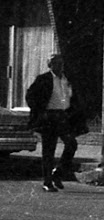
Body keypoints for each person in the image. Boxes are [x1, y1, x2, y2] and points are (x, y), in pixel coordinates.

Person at [26, 53, 85, 193]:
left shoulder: (67, 80)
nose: (60, 66)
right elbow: (30, 96)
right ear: (50, 65)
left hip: (63, 116)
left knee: (71, 144)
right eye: (56, 64)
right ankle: (47, 181)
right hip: (49, 117)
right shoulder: (43, 79)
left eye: (61, 63)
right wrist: (40, 111)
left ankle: (58, 173)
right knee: (49, 150)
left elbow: (72, 98)